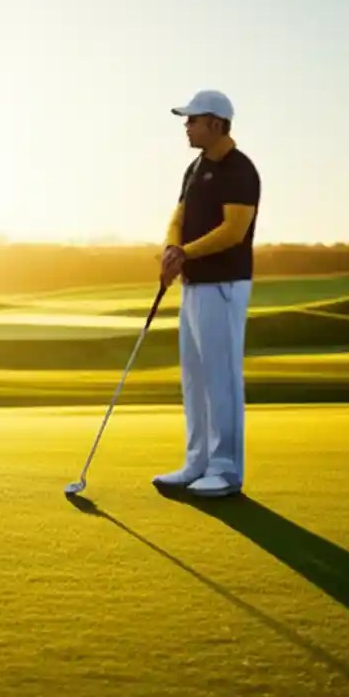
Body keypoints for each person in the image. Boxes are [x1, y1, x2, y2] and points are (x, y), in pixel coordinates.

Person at [152, 89, 261, 498]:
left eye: (193, 120)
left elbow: (233, 231)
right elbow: (178, 216)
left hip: (225, 285)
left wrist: (185, 253)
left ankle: (225, 469)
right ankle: (196, 462)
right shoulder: (195, 167)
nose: (186, 126)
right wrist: (171, 249)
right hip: (195, 285)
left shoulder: (240, 170)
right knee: (195, 379)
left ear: (216, 123)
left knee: (221, 378)